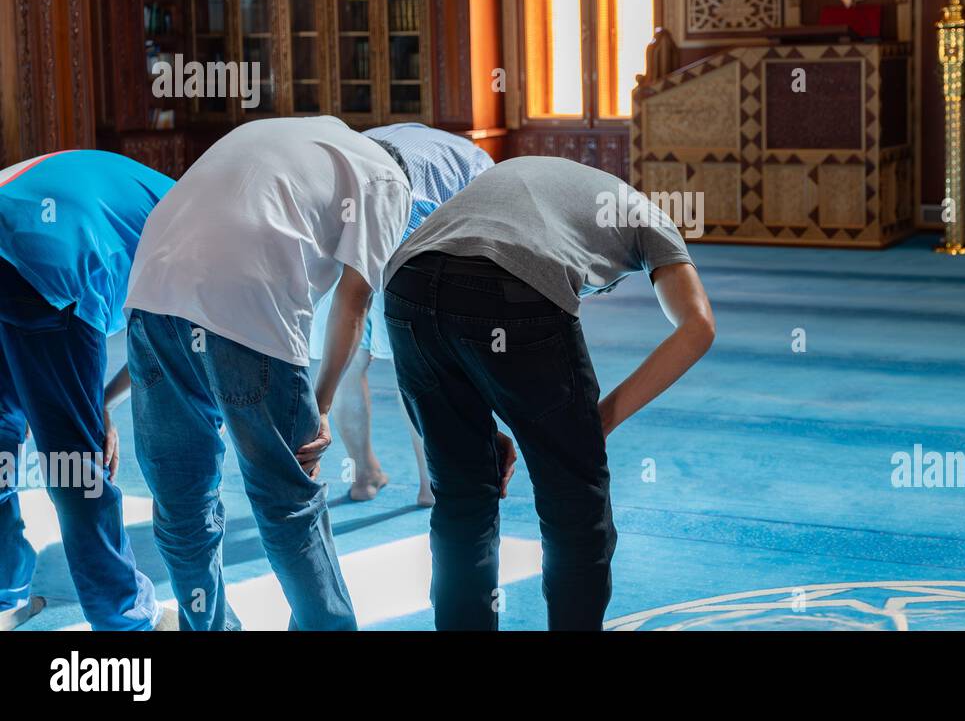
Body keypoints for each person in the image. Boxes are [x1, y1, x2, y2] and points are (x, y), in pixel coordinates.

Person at [383, 156, 715, 631]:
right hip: (513, 285)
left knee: (462, 497)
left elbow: (452, 283)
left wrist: (473, 425)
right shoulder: (651, 218)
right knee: (574, 503)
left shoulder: (524, 176)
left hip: (406, 283)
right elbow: (698, 328)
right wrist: (595, 424)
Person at [123, 116, 416, 631]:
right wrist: (320, 405)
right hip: (248, 307)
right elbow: (354, 301)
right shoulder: (388, 180)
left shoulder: (288, 134)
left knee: (181, 499)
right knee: (288, 500)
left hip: (150, 291)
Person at [0, 149, 173, 631]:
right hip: (52, 260)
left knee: (1, 428)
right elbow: (163, 346)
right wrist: (96, 409)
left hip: (20, 234)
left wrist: (98, 403)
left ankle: (3, 593)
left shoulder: (156, 193)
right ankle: (125, 619)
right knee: (76, 461)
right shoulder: (200, 237)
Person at [306, 123, 494, 505]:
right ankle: (431, 484)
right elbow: (353, 300)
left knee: (349, 360)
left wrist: (318, 407)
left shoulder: (457, 171)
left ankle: (364, 475)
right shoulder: (469, 169)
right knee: (418, 364)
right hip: (407, 211)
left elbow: (351, 300)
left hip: (402, 213)